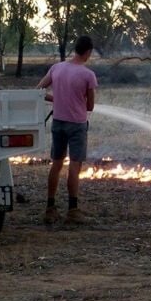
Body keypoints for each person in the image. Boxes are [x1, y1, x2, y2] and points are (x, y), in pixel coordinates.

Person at [37, 35, 98, 224]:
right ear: (88, 52)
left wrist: (56, 99)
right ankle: (73, 209)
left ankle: (50, 207)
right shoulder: (88, 75)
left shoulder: (57, 68)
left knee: (56, 164)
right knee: (74, 164)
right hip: (77, 125)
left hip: (58, 122)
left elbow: (38, 90)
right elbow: (90, 107)